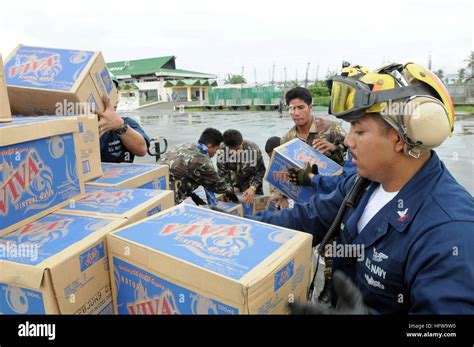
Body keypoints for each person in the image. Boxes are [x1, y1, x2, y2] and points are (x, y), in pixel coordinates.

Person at [251, 62, 474, 314]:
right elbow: (305, 218)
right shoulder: (363, 183)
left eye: (358, 129)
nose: (347, 141)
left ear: (399, 139)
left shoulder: (450, 231)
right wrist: (239, 222)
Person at [159, 128, 239, 204]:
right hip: (169, 198)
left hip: (156, 190)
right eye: (216, 149)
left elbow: (179, 173)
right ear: (209, 146)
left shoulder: (185, 146)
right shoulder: (201, 160)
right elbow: (217, 184)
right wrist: (230, 193)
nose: (215, 153)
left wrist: (192, 195)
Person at [281, 87, 346, 165]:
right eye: (292, 108)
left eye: (301, 108)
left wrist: (334, 148)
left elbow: (355, 153)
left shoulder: (332, 128)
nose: (296, 113)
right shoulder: (287, 140)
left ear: (310, 108)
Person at [98, 80, 150, 163]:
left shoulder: (127, 122)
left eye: (116, 93)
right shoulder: (83, 126)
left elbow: (142, 150)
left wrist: (120, 127)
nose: (116, 100)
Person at [217, 129, 266, 203]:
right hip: (234, 187)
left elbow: (261, 171)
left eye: (238, 149)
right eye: (232, 150)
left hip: (252, 186)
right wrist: (229, 191)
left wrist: (253, 187)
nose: (236, 153)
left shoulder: (253, 149)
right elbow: (222, 175)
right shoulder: (222, 152)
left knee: (257, 209)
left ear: (242, 142)